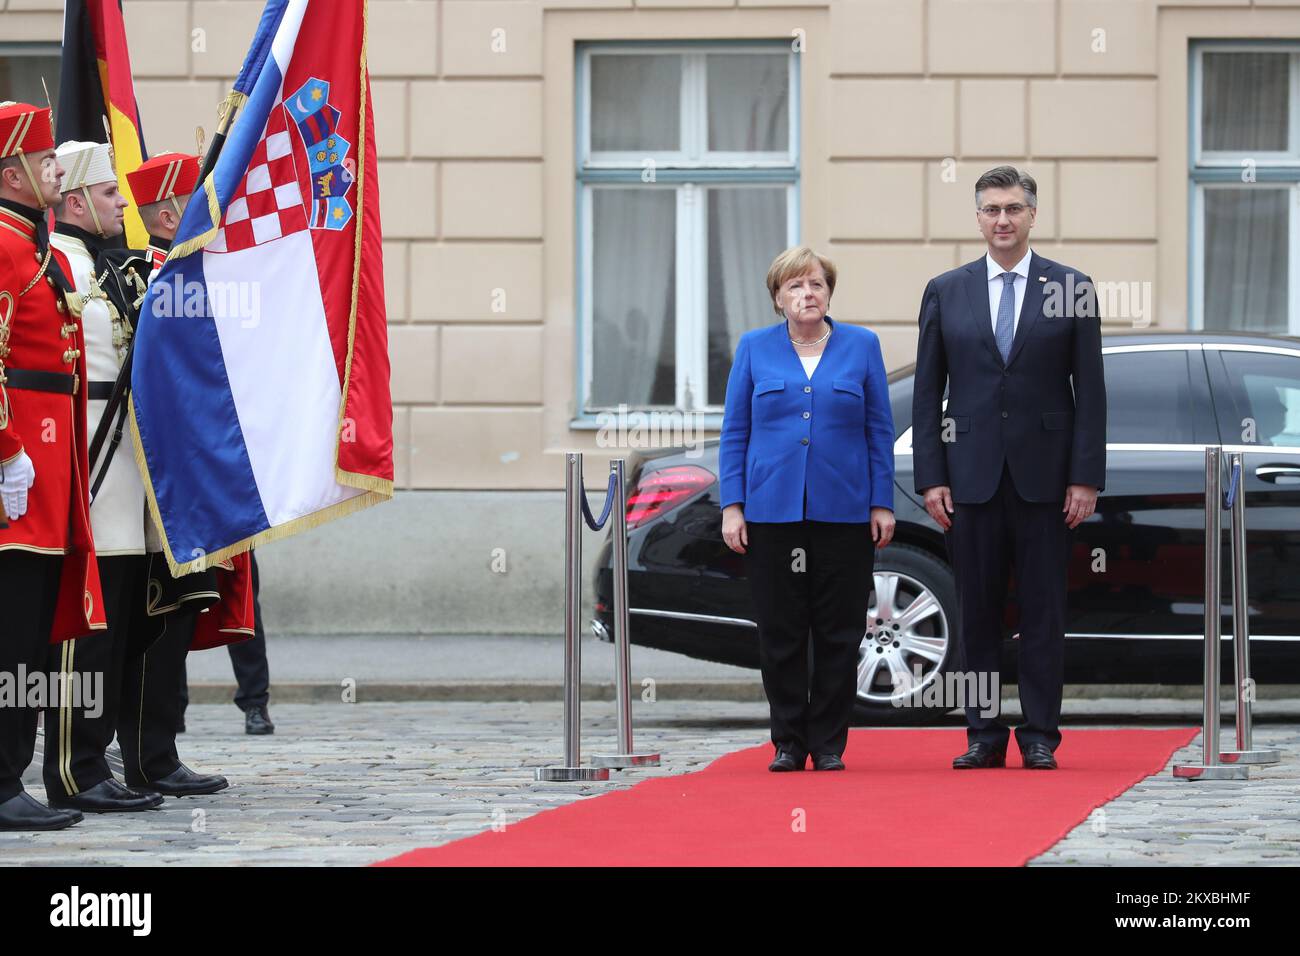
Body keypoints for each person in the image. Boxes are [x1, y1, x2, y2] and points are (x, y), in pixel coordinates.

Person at [911, 165, 1105, 771]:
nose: (1002, 219)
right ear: (977, 218)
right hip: (969, 478)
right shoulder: (947, 290)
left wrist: (1084, 476)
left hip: (1047, 480)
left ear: (1031, 216)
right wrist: (931, 476)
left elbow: (1091, 392)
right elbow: (927, 392)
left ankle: (1042, 732)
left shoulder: (1070, 287)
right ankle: (983, 735)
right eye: (992, 209)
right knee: (977, 613)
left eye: (1013, 209)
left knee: (1044, 611)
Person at [719, 246, 895, 773]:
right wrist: (733, 505)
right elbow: (735, 433)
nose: (807, 294)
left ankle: (829, 742)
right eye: (795, 286)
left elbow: (879, 430)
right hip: (772, 511)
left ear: (828, 292)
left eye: (815, 284)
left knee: (840, 629)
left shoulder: (862, 345)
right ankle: (789, 741)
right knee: (781, 628)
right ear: (778, 297)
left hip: (843, 510)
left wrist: (881, 501)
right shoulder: (754, 348)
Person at [111, 150, 246, 796]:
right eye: (197, 197)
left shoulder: (193, 276)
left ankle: (160, 751)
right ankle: (145, 756)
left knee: (183, 612)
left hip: (196, 478)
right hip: (157, 483)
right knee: (157, 619)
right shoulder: (146, 277)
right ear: (170, 211)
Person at [43, 139, 163, 813]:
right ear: (80, 197)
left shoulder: (112, 265)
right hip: (83, 454)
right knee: (81, 634)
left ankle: (98, 759)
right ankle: (73, 768)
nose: (124, 203)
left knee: (114, 626)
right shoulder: (56, 261)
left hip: (126, 466)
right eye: (112, 192)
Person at [0, 102, 106, 831]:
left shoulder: (28, 242)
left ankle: (14, 772)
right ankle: (2, 779)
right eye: (43, 163)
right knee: (11, 634)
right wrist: (6, 452)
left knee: (34, 632)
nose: (56, 171)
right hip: (20, 471)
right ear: (11, 172)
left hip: (50, 460)